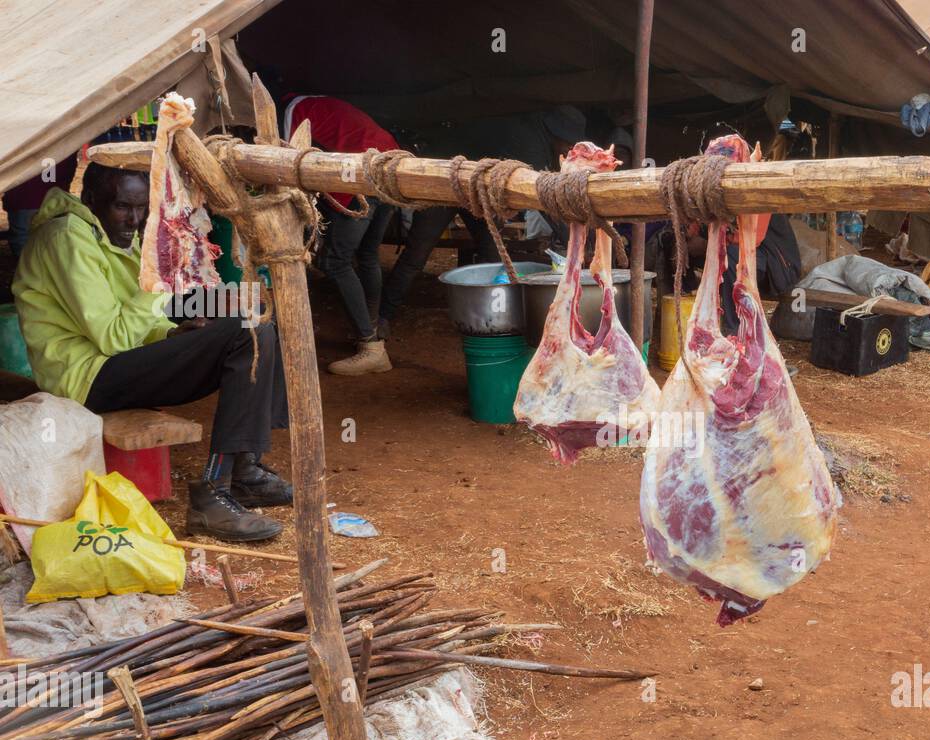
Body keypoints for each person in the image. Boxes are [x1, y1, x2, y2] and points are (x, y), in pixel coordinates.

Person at [12, 163, 291, 542]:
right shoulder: (66, 238)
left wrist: (172, 330)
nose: (134, 219)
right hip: (84, 378)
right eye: (123, 207)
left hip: (111, 361)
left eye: (142, 208)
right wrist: (161, 292)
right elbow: (113, 334)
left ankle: (243, 468)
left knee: (255, 317)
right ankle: (212, 497)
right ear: (90, 199)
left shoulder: (99, 232)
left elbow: (131, 318)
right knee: (246, 333)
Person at [376, 106, 586, 332]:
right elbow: (542, 200)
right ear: (557, 135)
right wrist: (574, 243)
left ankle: (491, 317)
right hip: (443, 180)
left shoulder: (538, 134)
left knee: (493, 256)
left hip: (475, 190)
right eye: (568, 144)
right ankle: (382, 317)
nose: (568, 149)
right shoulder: (528, 138)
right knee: (416, 254)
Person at [279, 92, 399, 375]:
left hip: (359, 175)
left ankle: (371, 347)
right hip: (390, 168)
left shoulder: (293, 111)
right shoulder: (321, 104)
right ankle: (374, 329)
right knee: (367, 255)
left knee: (334, 262)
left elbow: (285, 162)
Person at [2, 155, 77, 258]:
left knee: (22, 239)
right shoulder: (63, 145)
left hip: (23, 201)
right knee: (54, 235)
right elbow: (69, 171)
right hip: (53, 200)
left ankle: (24, 264)